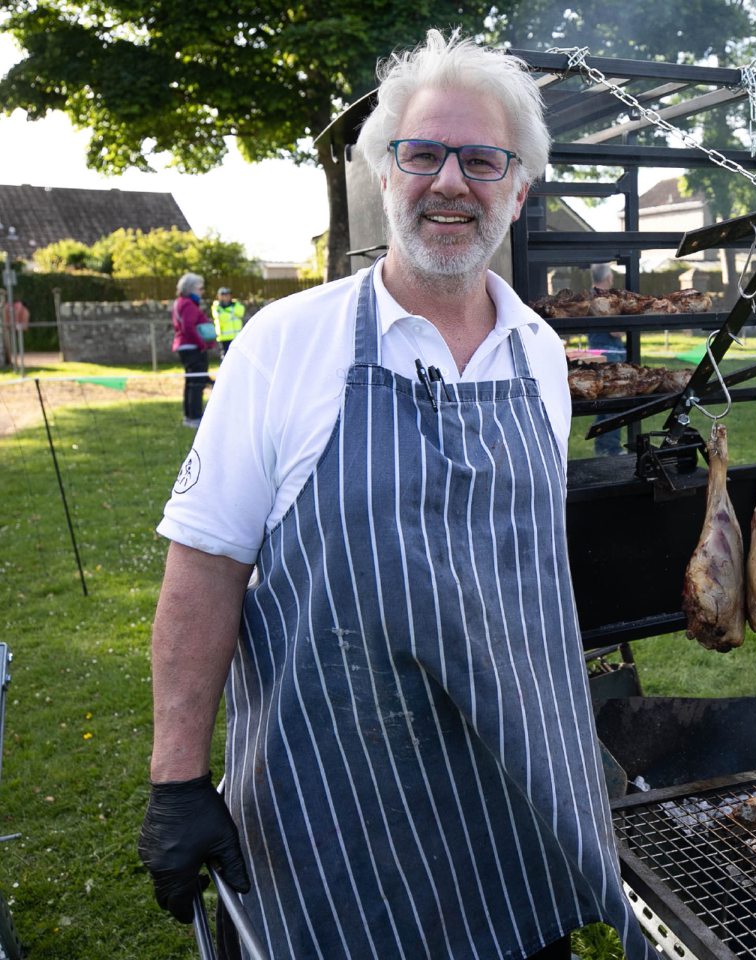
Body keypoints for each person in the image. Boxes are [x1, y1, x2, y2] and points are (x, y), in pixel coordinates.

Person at [137, 31, 655, 960]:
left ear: (519, 189)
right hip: (336, 819)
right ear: (386, 173)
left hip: (513, 807)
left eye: (483, 159)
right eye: (422, 153)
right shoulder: (285, 343)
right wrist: (178, 777)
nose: (450, 182)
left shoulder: (540, 351)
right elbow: (205, 563)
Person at [587, 263, 625, 455]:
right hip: (611, 353)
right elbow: (616, 330)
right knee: (614, 405)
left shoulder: (588, 297)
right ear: (609, 278)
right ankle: (610, 449)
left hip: (595, 352)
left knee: (604, 405)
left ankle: (601, 447)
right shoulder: (605, 300)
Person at [170, 272, 213, 427]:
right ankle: (194, 417)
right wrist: (202, 344)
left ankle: (189, 417)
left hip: (185, 346)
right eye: (200, 288)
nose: (202, 292)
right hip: (192, 347)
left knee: (191, 382)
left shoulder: (180, 302)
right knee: (196, 383)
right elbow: (188, 327)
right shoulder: (187, 304)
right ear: (191, 289)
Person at [209, 287, 246, 356]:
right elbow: (222, 318)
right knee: (225, 357)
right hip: (223, 337)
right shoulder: (216, 307)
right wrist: (232, 312)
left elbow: (241, 312)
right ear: (219, 296)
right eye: (223, 295)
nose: (226, 297)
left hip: (236, 336)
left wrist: (226, 312)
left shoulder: (236, 304)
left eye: (228, 295)